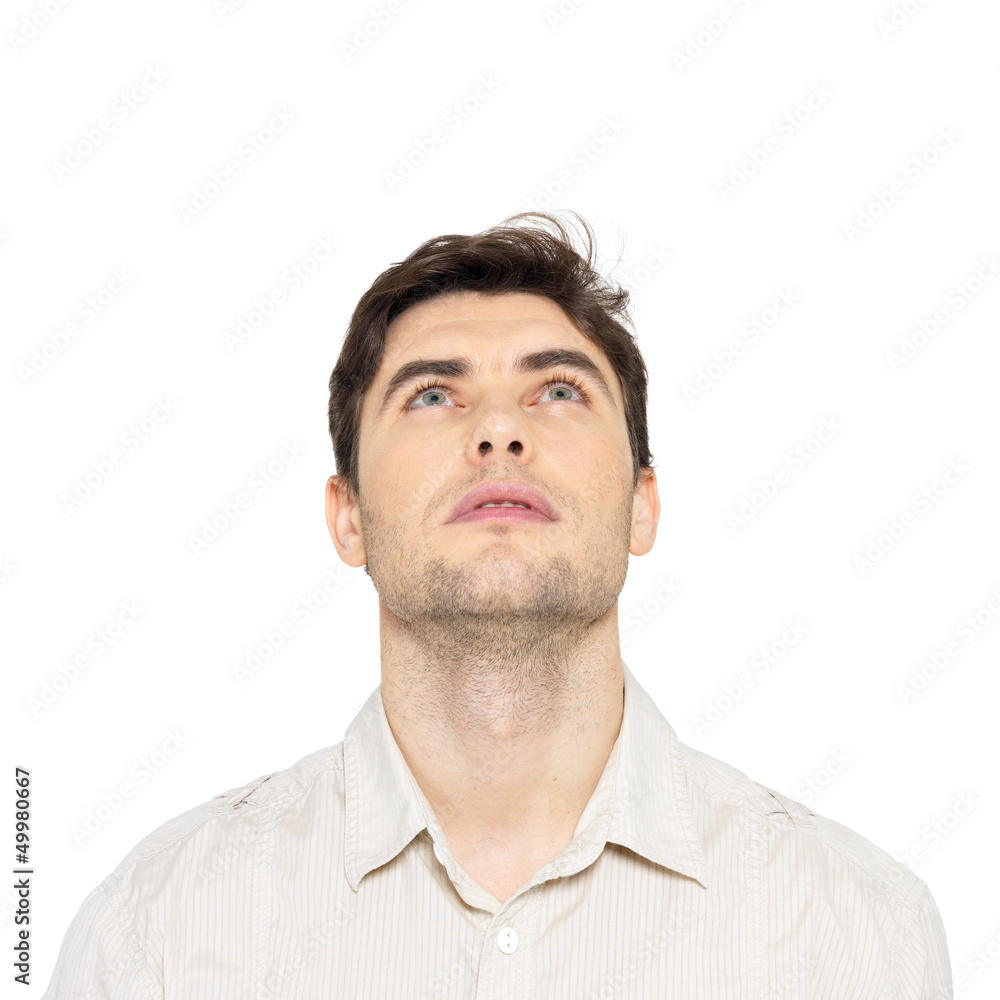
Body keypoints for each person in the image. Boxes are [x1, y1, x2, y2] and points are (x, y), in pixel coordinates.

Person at [44, 213, 952, 998]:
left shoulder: (856, 933)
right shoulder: (159, 929)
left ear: (644, 503)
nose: (498, 430)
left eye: (558, 390)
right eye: (433, 394)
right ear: (347, 517)